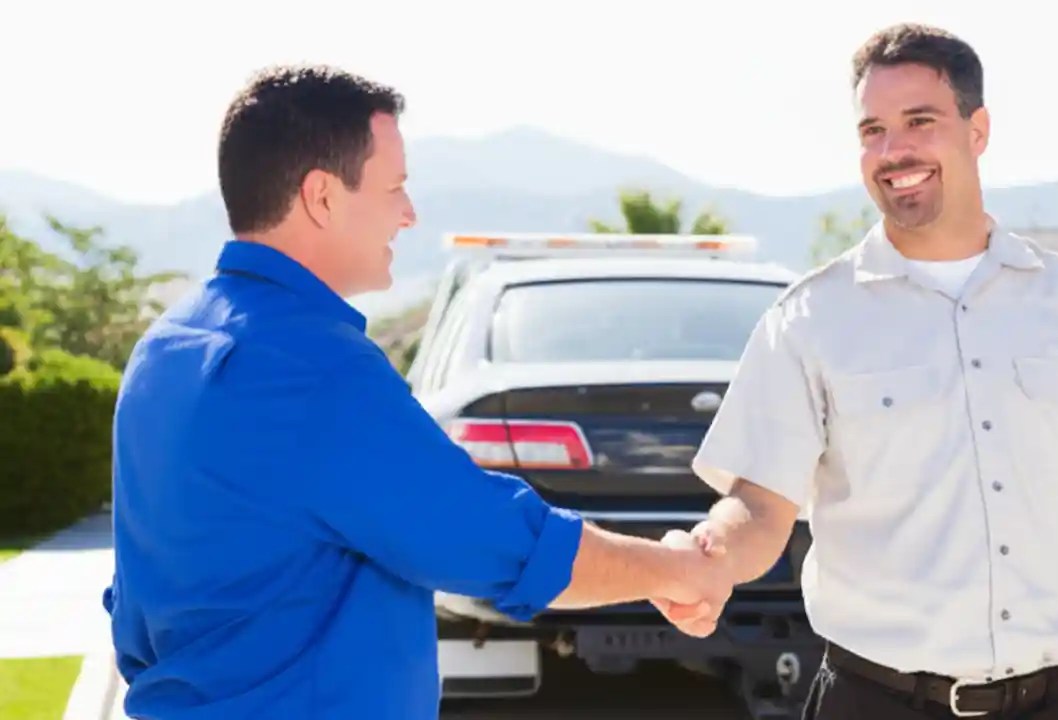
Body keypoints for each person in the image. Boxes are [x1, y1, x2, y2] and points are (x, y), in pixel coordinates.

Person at [102, 64, 732, 720]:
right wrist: (674, 569)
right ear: (321, 196)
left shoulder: (164, 349)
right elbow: (491, 541)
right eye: (395, 187)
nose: (408, 214)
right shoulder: (309, 367)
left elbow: (134, 597)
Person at [664, 23, 1058, 720]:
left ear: (978, 130)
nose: (894, 151)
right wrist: (707, 552)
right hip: (874, 701)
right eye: (872, 130)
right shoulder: (809, 320)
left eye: (919, 121)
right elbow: (761, 504)